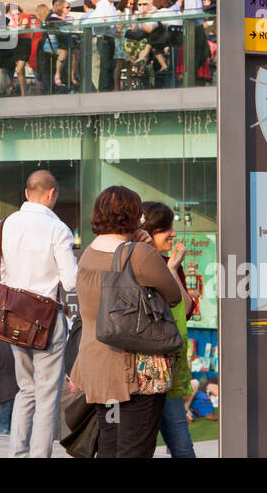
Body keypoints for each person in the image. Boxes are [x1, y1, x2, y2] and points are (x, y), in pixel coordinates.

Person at [71, 186, 184, 458]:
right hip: (135, 372)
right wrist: (146, 247)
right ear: (133, 217)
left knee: (109, 446)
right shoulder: (139, 254)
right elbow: (174, 296)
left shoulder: (87, 253)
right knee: (135, 449)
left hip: (97, 368)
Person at [0, 169, 77, 458]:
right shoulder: (58, 229)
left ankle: (18, 453)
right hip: (46, 319)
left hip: (12, 317)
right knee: (47, 394)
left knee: (25, 389)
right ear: (51, 194)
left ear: (27, 193)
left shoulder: (2, 226)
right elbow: (71, 282)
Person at [143, 201, 197, 457]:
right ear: (148, 231)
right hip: (140, 369)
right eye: (166, 228)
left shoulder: (170, 263)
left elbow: (185, 309)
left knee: (182, 445)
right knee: (139, 446)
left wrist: (172, 270)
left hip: (168, 367)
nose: (173, 234)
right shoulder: (132, 265)